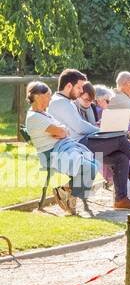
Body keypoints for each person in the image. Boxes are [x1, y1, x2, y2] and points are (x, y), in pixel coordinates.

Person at [39, 71, 130, 210]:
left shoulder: (65, 102)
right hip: (74, 146)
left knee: (120, 157)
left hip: (79, 143)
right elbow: (79, 127)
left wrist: (104, 132)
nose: (81, 90)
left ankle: (121, 199)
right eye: (79, 87)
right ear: (69, 86)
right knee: (120, 139)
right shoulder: (61, 103)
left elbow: (79, 127)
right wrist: (102, 132)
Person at [24, 81, 98, 215]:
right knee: (89, 167)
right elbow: (63, 132)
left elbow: (64, 131)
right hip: (52, 154)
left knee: (93, 164)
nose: (50, 99)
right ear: (38, 96)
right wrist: (61, 131)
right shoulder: (34, 117)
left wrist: (60, 131)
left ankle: (64, 191)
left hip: (61, 148)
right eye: (48, 95)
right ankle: (69, 195)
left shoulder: (44, 114)